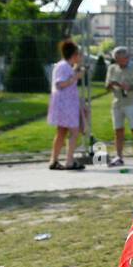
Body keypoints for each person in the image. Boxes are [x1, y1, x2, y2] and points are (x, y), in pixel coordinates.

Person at [106, 46, 133, 166]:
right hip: (117, 103)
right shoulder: (112, 68)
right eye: (117, 59)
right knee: (118, 131)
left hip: (132, 103)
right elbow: (107, 87)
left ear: (127, 58)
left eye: (121, 59)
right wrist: (111, 84)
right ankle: (119, 157)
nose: (119, 62)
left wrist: (130, 88)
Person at [48, 41, 86, 171]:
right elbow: (60, 84)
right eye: (78, 54)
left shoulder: (65, 66)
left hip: (65, 104)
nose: (80, 57)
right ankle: (69, 161)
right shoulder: (63, 66)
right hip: (66, 105)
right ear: (74, 55)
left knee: (61, 132)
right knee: (74, 132)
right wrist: (75, 77)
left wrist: (75, 71)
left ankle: (54, 160)